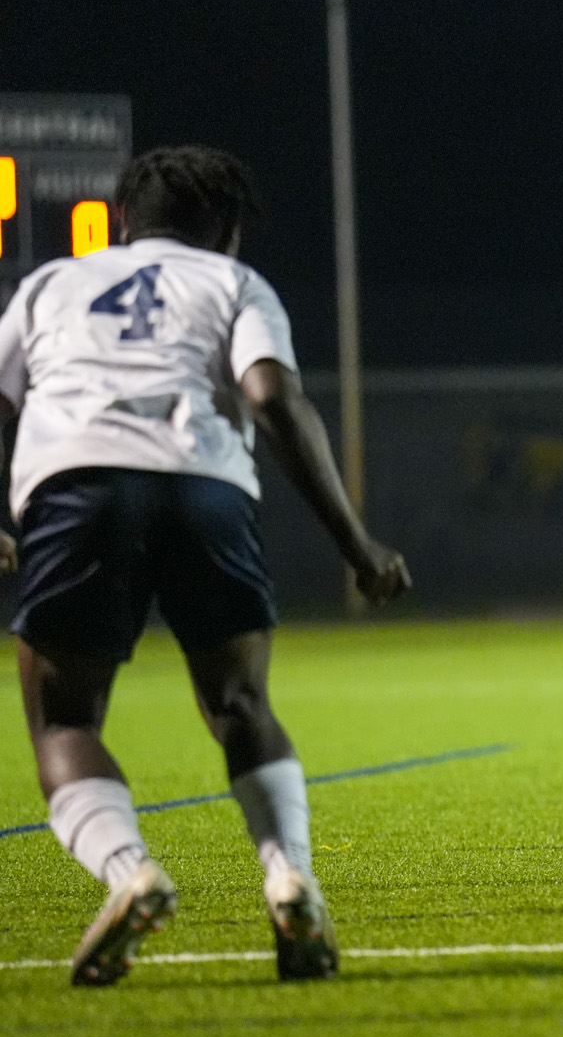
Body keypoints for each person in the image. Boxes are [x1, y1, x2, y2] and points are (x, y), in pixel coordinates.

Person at [0, 146, 412, 986]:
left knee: (66, 717)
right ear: (225, 231)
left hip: (77, 485)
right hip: (206, 488)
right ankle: (289, 875)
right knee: (240, 702)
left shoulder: (48, 286)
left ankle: (130, 872)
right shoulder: (235, 286)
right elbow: (271, 398)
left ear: (121, 219)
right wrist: (356, 544)